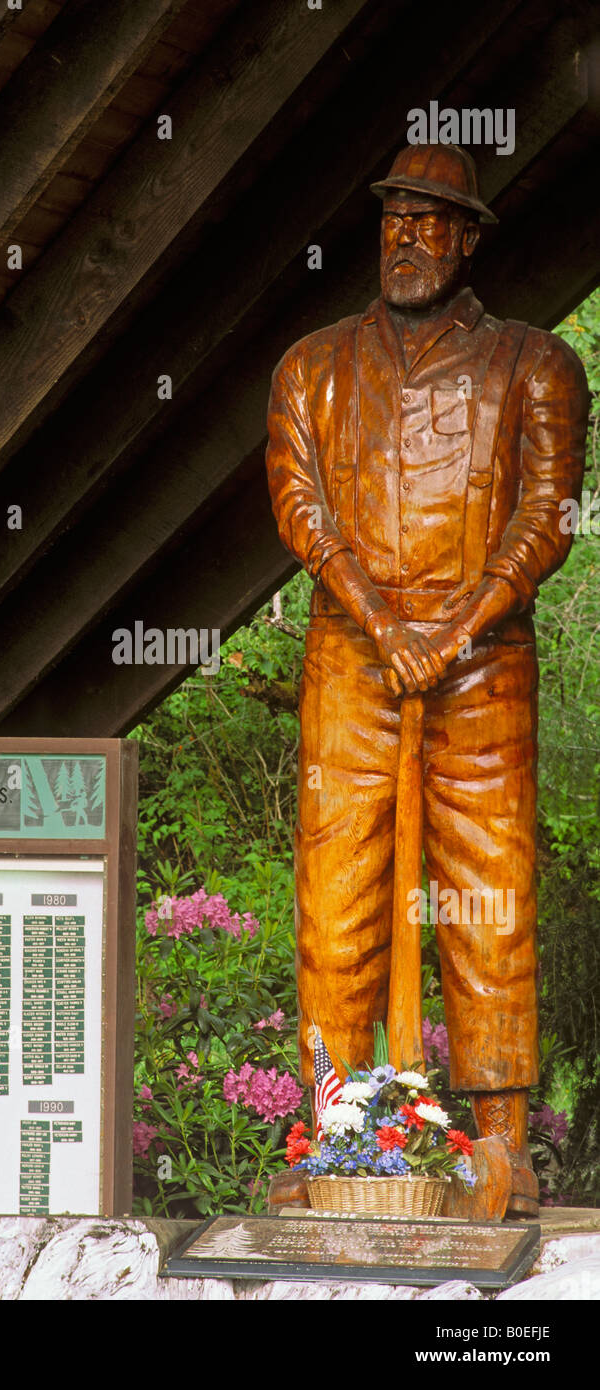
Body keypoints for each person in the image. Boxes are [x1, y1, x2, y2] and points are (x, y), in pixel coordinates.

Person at [265, 144, 589, 1215]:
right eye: (393, 220)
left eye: (428, 221)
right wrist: (382, 621)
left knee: (488, 888)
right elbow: (299, 508)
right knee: (338, 890)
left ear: (468, 237)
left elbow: (546, 517)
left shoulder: (535, 364)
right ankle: (338, 1125)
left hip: (481, 664)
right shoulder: (310, 365)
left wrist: (451, 628)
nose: (405, 239)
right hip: (352, 660)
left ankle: (496, 1137)